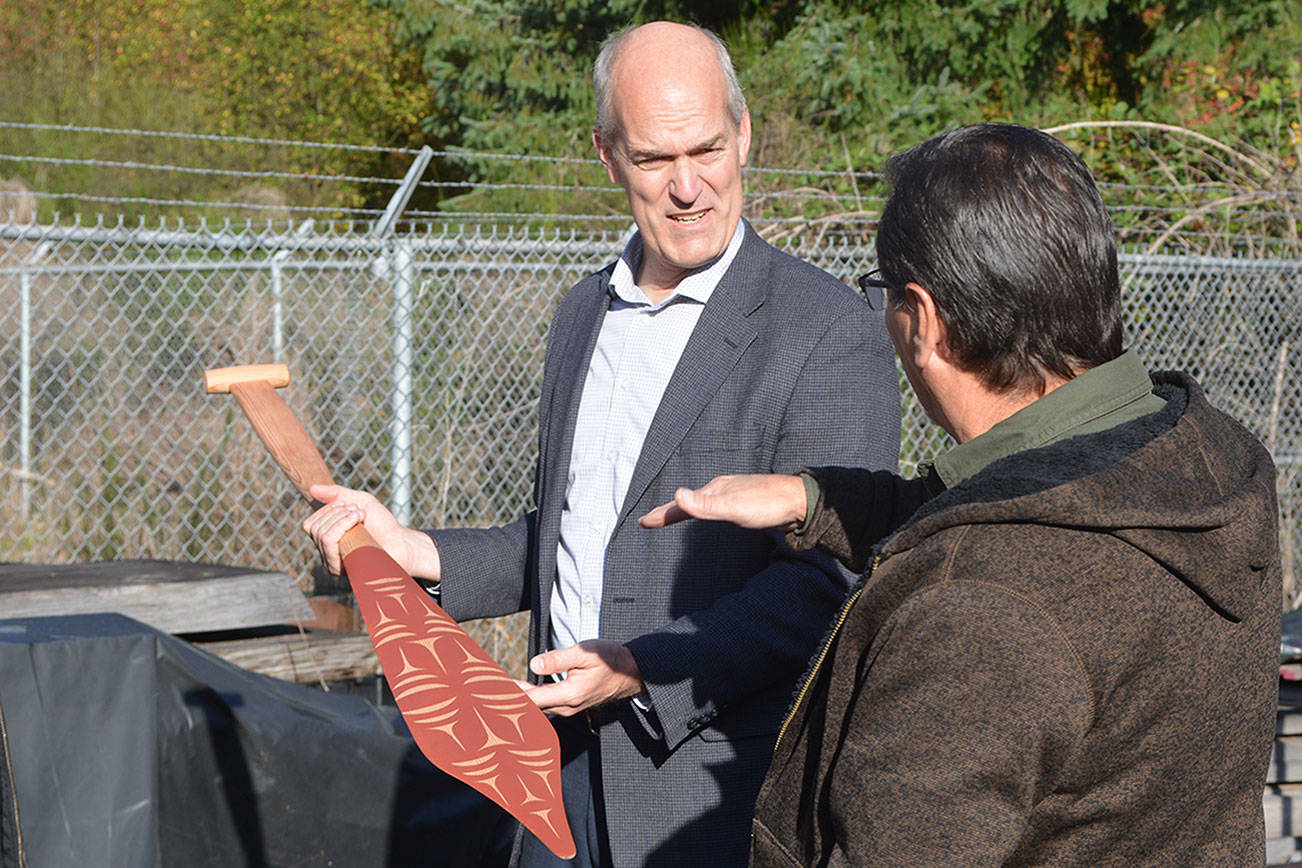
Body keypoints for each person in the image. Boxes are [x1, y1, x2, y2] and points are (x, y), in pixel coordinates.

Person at [303, 21, 900, 868]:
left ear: (744, 136)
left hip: (709, 801)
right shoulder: (585, 314)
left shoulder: (825, 330)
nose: (688, 186)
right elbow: (569, 533)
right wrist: (415, 549)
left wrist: (640, 668)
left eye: (708, 150)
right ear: (608, 155)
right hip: (553, 776)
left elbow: (828, 580)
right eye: (656, 160)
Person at [642, 123, 1281, 864]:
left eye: (885, 297)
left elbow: (1013, 571)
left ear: (926, 321)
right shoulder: (1212, 462)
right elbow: (1044, 505)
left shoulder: (975, 610)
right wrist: (817, 500)